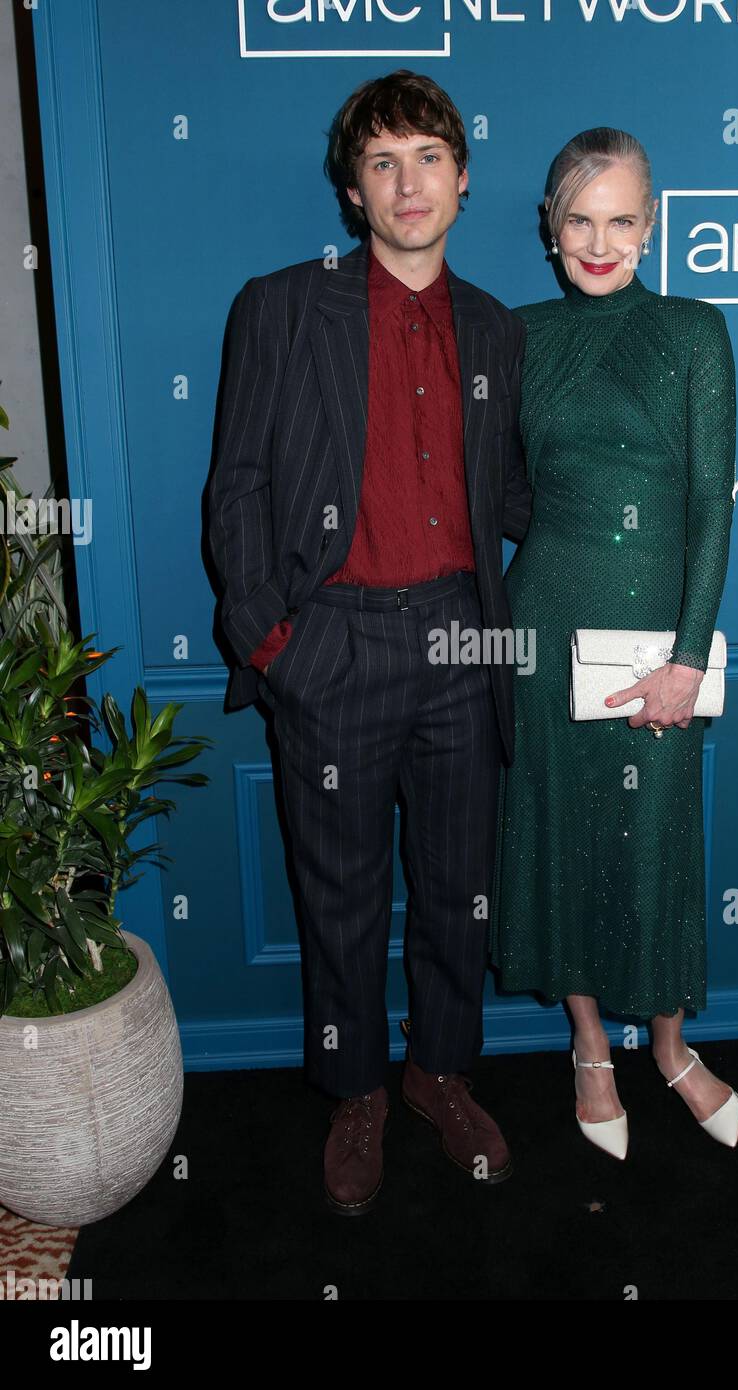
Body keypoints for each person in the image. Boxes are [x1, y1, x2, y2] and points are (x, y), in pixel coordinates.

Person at [207, 69, 532, 1214]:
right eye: (383, 162)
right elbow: (236, 486)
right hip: (330, 645)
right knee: (337, 896)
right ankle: (356, 1092)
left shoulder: (495, 325)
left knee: (458, 889)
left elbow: (519, 501)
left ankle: (438, 1071)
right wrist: (274, 642)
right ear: (353, 189)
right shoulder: (282, 306)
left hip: (460, 640)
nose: (408, 182)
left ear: (462, 178)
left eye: (428, 158)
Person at [490, 127, 738, 1160]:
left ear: (651, 225)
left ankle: (672, 1046)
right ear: (550, 229)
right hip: (544, 620)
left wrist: (688, 655)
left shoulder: (693, 330)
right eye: (579, 220)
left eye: (621, 220)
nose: (600, 242)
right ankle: (591, 1042)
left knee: (656, 839)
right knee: (560, 832)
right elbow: (496, 495)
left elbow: (709, 507)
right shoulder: (514, 334)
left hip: (658, 634)